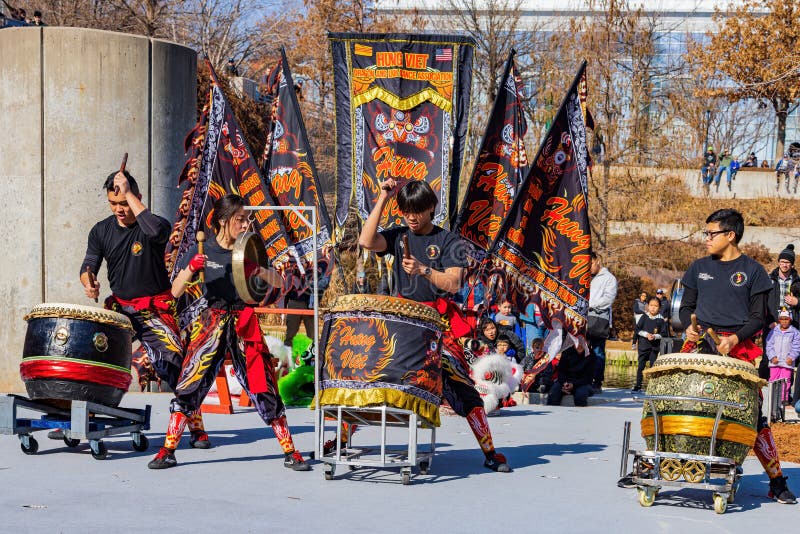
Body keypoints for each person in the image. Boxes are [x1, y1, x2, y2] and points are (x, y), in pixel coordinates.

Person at [147, 195, 311, 471]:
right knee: (190, 382)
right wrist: (190, 269)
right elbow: (174, 292)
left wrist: (257, 269)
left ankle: (290, 452)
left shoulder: (250, 249)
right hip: (211, 321)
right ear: (223, 221)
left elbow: (279, 282)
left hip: (244, 322)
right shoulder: (203, 249)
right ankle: (168, 449)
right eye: (240, 219)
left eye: (247, 219)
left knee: (264, 385)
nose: (245, 224)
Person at [358, 178, 512, 473]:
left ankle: (490, 451)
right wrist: (383, 196)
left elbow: (453, 282)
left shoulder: (449, 241)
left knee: (461, 387)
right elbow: (366, 240)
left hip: (437, 326)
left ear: (431, 207)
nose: (412, 218)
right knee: (371, 376)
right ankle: (343, 435)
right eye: (406, 211)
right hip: (401, 323)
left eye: (417, 211)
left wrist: (422, 270)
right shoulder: (399, 236)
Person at [73, 170, 210, 448]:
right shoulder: (100, 231)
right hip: (120, 310)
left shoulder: (152, 225)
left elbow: (159, 233)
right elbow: (88, 265)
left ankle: (195, 424)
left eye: (124, 202)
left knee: (172, 360)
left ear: (137, 198)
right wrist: (89, 281)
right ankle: (81, 416)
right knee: (90, 353)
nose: (119, 209)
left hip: (153, 308)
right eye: (114, 204)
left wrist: (130, 193)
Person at [676, 208, 795, 503]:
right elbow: (685, 309)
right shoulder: (698, 267)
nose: (706, 238)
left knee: (750, 414)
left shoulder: (753, 272)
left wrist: (734, 338)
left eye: (711, 233)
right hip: (701, 343)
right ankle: (668, 462)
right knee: (681, 402)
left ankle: (777, 481)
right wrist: (688, 328)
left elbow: (759, 318)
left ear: (730, 235)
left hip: (738, 346)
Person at [587, 252, 618, 393]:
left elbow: (608, 299)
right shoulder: (584, 277)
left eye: (590, 263)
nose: (589, 267)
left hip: (599, 319)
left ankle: (597, 381)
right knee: (582, 349)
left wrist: (590, 304)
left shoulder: (609, 278)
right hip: (583, 318)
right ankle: (583, 379)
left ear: (597, 261)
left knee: (598, 350)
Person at [631, 297, 667, 392]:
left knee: (652, 366)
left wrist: (655, 336)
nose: (653, 308)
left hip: (654, 347)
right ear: (648, 306)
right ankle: (638, 385)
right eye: (651, 305)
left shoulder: (661, 320)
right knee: (641, 366)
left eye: (656, 306)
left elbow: (664, 334)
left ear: (659, 308)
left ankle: (652, 386)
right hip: (643, 346)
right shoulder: (644, 317)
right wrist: (646, 335)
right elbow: (637, 330)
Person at [765, 310, 800, 404]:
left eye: (786, 319)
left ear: (790, 320)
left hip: (787, 363)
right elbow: (769, 345)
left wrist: (791, 357)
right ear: (779, 320)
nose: (784, 321)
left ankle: (783, 399)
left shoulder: (795, 332)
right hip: (774, 362)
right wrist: (772, 357)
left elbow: (797, 346)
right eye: (782, 319)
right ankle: (772, 398)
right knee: (773, 380)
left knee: (786, 381)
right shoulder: (774, 331)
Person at [767, 244, 800, 326]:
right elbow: (761, 303)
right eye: (782, 262)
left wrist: (797, 302)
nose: (784, 265)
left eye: (788, 262)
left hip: (793, 326)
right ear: (778, 262)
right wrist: (768, 322)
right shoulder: (768, 280)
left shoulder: (798, 282)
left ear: (792, 265)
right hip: (773, 324)